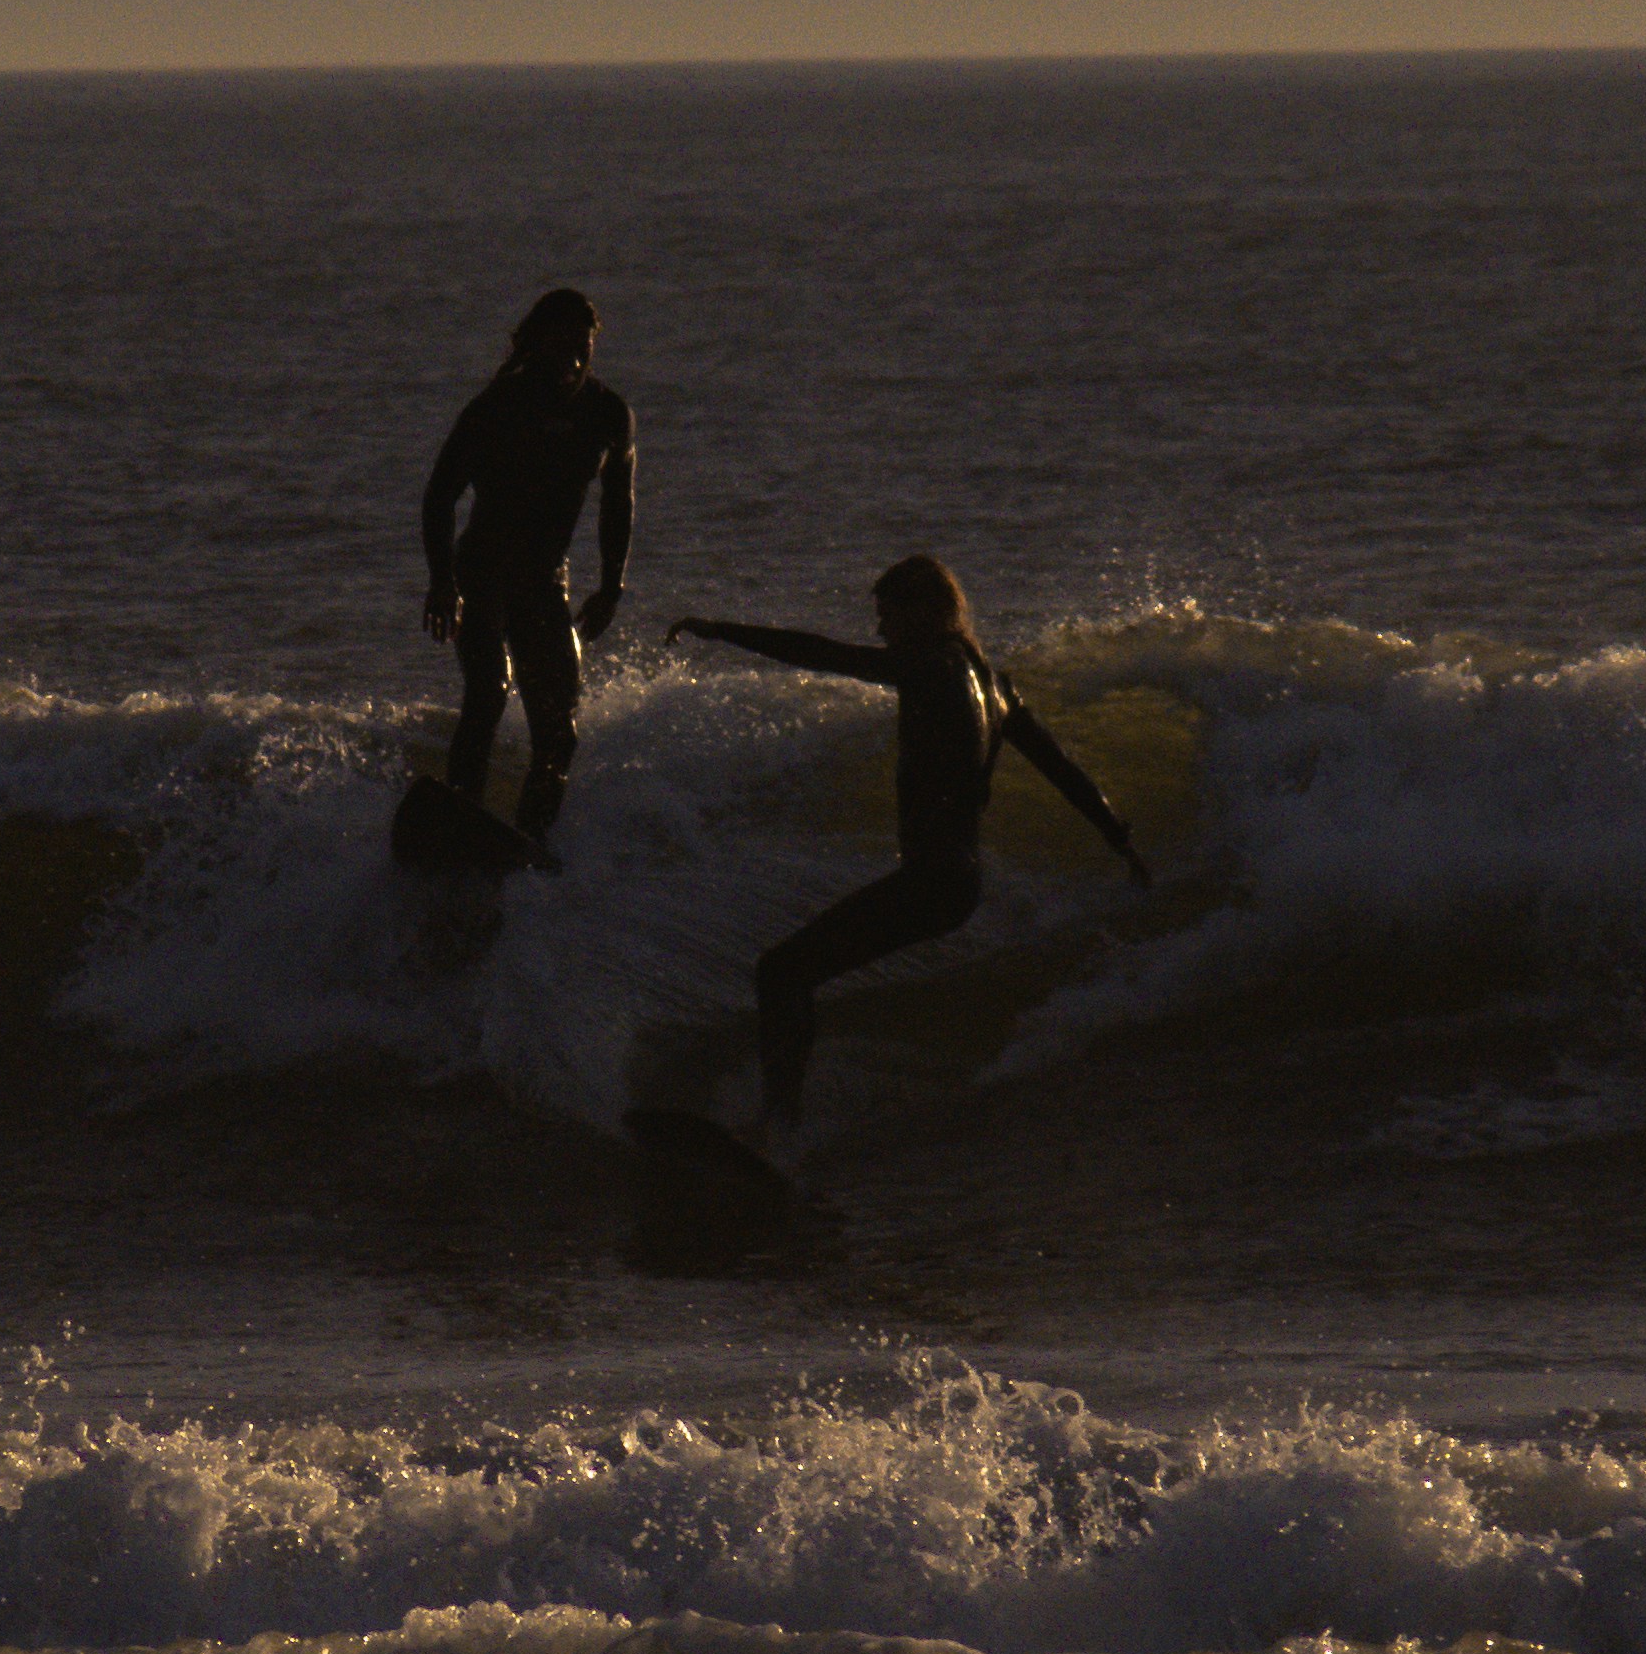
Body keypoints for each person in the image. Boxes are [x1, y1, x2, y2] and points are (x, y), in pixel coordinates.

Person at [672, 556, 1145, 1126]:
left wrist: (722, 631)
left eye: (887, 615)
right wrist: (1117, 837)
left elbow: (823, 653)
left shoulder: (929, 667)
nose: (880, 629)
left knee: (781, 973)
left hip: (932, 882)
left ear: (922, 611)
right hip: (958, 883)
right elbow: (1059, 766)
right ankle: (789, 1114)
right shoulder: (994, 684)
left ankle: (781, 1123)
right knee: (793, 973)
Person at [420, 290, 635, 845]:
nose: (573, 359)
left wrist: (611, 586)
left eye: (583, 346)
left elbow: (618, 503)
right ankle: (459, 815)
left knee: (559, 730)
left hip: (544, 581)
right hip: (481, 573)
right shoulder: (497, 407)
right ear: (536, 344)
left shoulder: (607, 414)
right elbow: (440, 495)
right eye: (561, 345)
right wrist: (442, 583)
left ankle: (530, 838)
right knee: (489, 691)